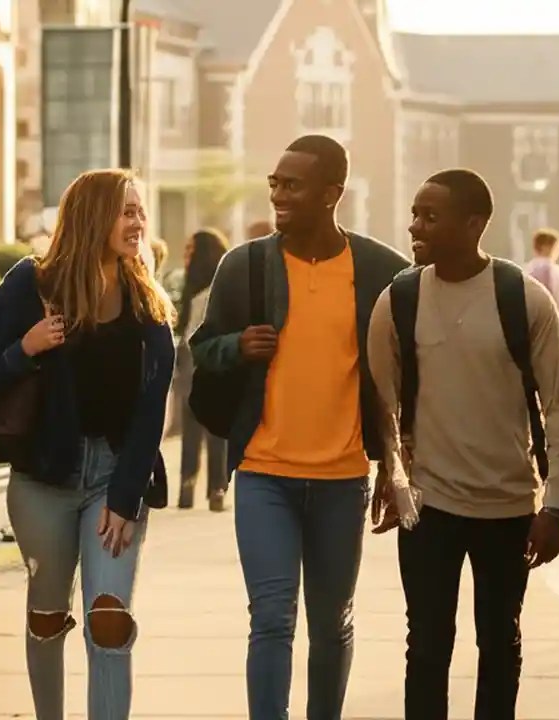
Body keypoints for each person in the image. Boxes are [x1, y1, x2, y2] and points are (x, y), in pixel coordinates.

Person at [189, 134, 410, 720]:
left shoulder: (384, 271)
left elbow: (406, 375)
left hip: (343, 479)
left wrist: (395, 464)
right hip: (265, 473)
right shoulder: (246, 265)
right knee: (271, 617)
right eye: (275, 183)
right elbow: (201, 348)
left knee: (332, 623)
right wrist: (237, 346)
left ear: (332, 193)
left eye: (293, 185)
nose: (279, 194)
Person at [368, 169, 559, 720]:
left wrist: (554, 506)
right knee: (428, 644)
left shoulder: (522, 299)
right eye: (414, 214)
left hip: (508, 506)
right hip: (429, 508)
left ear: (475, 223)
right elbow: (382, 404)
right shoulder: (400, 298)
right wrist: (392, 478)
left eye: (430, 217)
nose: (415, 226)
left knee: (499, 642)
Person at [0, 168, 175, 720]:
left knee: (109, 617)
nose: (136, 222)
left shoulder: (146, 300)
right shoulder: (29, 283)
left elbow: (153, 405)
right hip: (44, 479)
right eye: (125, 210)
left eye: (140, 211)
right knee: (47, 616)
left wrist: (127, 493)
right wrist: (27, 348)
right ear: (92, 216)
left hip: (115, 476)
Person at [176, 228, 231, 511]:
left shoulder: (202, 291)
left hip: (198, 357)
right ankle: (215, 489)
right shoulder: (219, 286)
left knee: (194, 424)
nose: (185, 256)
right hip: (214, 358)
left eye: (190, 250)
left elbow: (185, 330)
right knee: (213, 427)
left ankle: (190, 485)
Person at [525, 228, 559, 330]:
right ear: (546, 247)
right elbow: (557, 298)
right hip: (553, 322)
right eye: (557, 247)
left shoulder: (527, 270)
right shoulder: (553, 270)